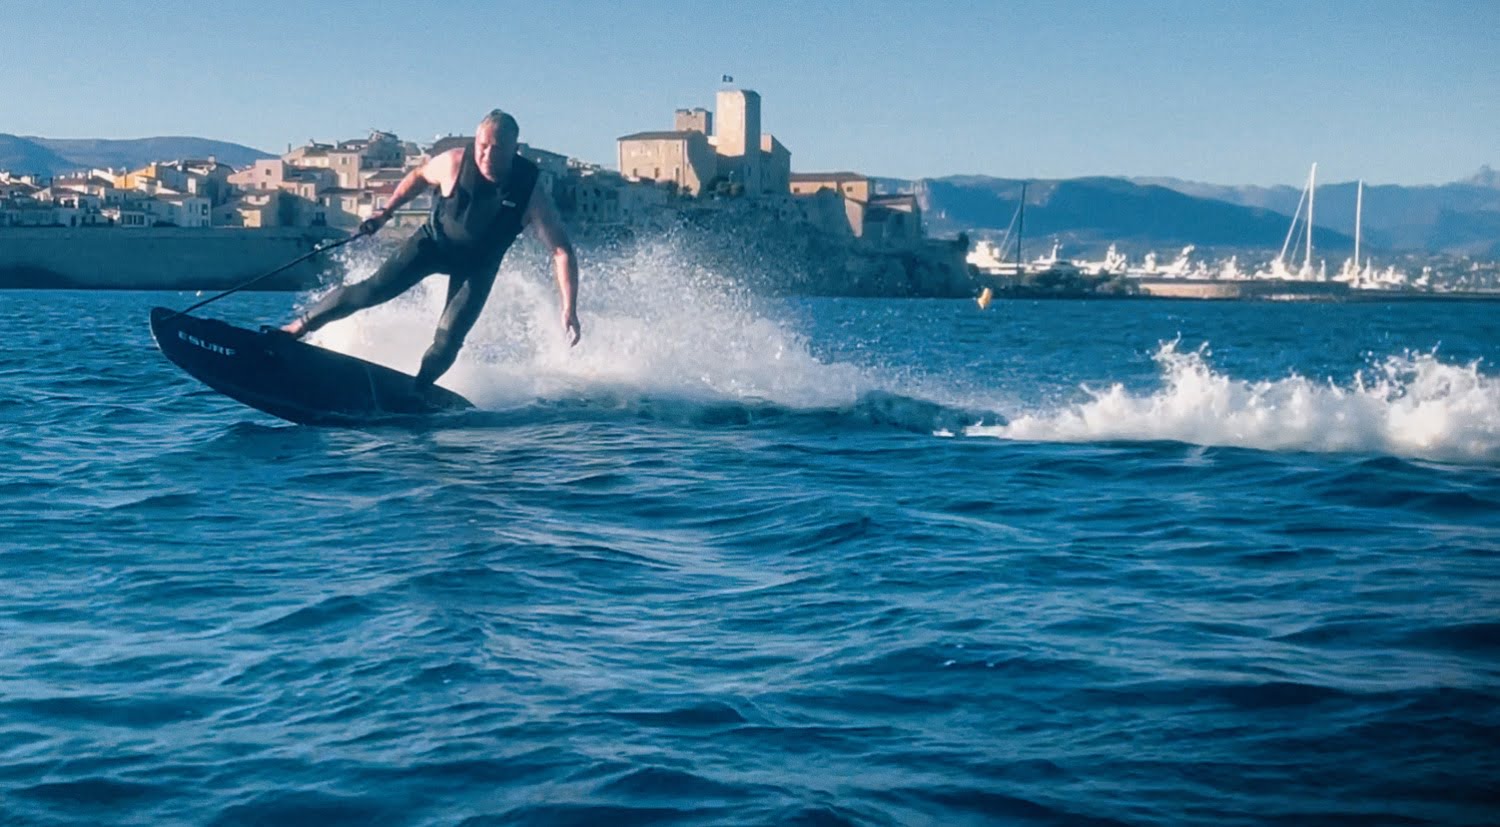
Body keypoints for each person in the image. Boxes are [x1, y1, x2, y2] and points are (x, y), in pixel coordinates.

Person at [279, 109, 580, 390]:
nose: (486, 155)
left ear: (513, 150)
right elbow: (419, 176)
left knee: (449, 337)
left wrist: (568, 308)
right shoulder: (454, 162)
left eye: (497, 149)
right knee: (371, 291)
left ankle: (419, 389)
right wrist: (385, 213)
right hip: (432, 245)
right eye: (482, 146)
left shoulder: (531, 191)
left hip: (478, 267)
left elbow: (561, 251)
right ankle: (295, 329)